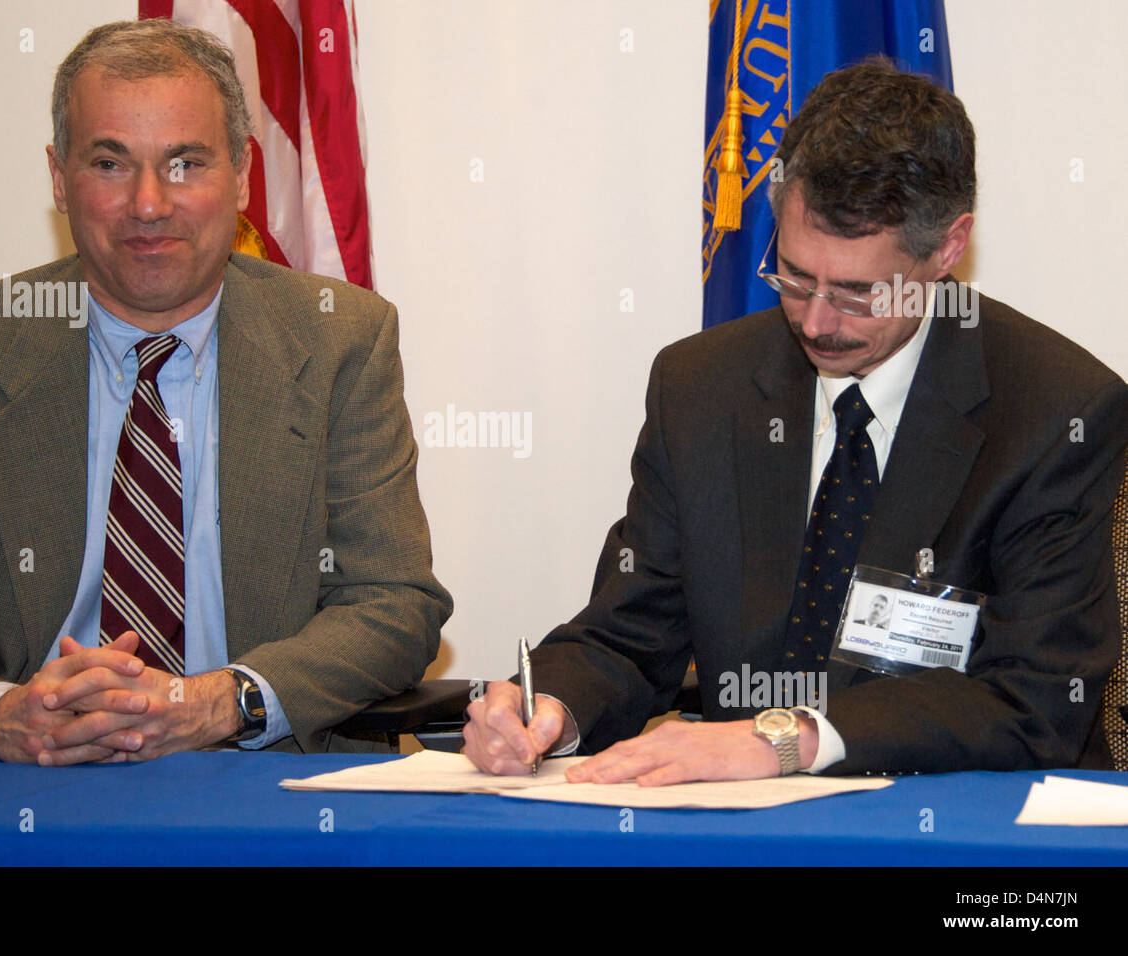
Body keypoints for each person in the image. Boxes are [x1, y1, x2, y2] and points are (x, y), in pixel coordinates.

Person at [465, 58, 1128, 783]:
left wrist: (784, 740)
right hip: (741, 834)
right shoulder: (700, 389)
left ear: (947, 248)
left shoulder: (1056, 410)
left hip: (952, 825)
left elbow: (1031, 701)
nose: (816, 324)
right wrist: (550, 707)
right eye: (794, 276)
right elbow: (630, 632)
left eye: (856, 292)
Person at [0, 19, 451, 763]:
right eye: (110, 163)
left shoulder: (341, 340)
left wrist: (224, 700)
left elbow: (394, 604)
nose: (150, 203)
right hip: (17, 794)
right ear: (59, 179)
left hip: (255, 787)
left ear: (245, 174)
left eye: (185, 163)